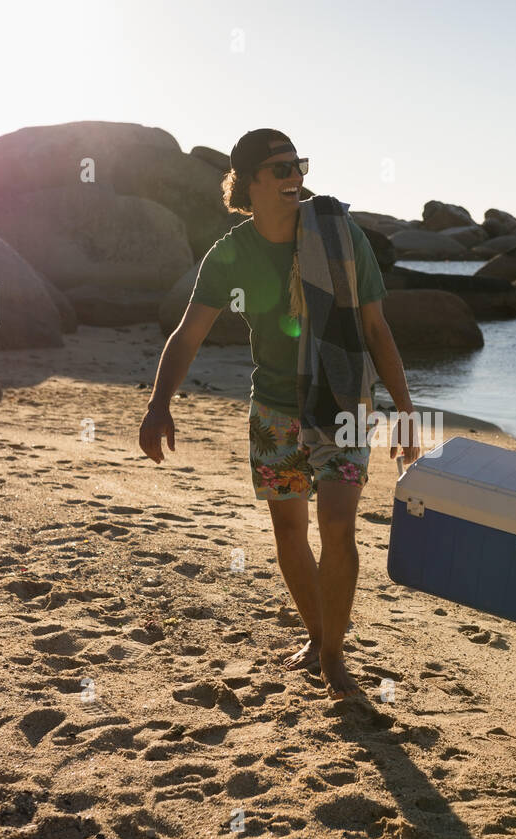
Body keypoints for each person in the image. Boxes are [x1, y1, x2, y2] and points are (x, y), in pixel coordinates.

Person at [139, 129, 420, 701]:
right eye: (280, 168)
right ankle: (319, 639)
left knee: (338, 526)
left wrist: (407, 411)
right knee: (289, 531)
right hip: (273, 409)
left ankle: (336, 658)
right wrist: (158, 404)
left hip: (341, 405)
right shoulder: (233, 252)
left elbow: (375, 328)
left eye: (299, 164)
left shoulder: (340, 237)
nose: (295, 176)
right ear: (249, 182)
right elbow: (188, 333)